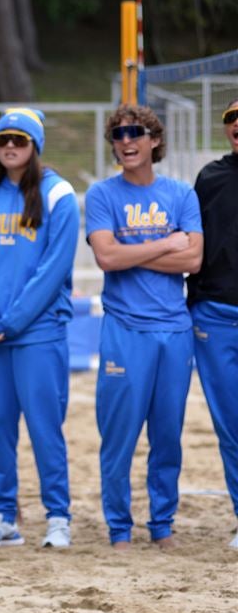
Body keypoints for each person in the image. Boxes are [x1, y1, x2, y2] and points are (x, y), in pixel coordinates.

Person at [85, 104, 202, 549]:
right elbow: (107, 258)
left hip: (174, 331)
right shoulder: (102, 195)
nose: (126, 140)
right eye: (117, 134)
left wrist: (134, 248)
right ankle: (119, 528)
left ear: (154, 140)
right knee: (119, 437)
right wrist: (163, 243)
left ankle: (162, 525)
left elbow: (192, 259)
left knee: (167, 436)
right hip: (125, 330)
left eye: (135, 132)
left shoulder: (180, 194)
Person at [0, 109, 78, 549]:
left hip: (37, 333)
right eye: (3, 139)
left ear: (36, 146)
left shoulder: (58, 194)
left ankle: (58, 518)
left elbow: (53, 269)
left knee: (46, 428)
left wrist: (12, 320)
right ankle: (3, 516)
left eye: (20, 139)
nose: (10, 146)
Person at [186, 98, 238, 550]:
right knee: (230, 424)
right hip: (216, 315)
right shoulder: (211, 178)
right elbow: (192, 248)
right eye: (230, 117)